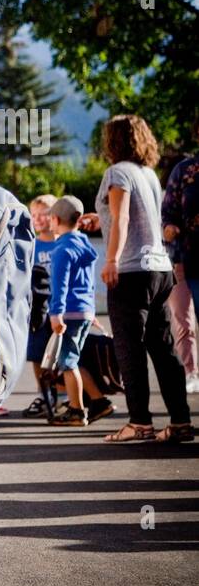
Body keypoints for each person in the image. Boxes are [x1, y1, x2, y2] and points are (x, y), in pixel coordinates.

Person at [79, 116, 192, 444]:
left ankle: (140, 422)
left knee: (129, 349)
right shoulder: (148, 175)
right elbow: (138, 220)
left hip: (130, 272)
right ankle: (181, 421)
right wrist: (99, 220)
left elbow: (123, 216)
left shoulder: (117, 172)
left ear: (113, 141)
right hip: (159, 269)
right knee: (163, 348)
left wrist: (111, 259)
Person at [45, 197, 101, 426]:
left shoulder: (62, 249)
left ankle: (77, 411)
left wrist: (55, 313)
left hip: (68, 313)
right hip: (84, 309)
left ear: (55, 219)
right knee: (71, 360)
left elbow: (60, 285)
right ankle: (77, 406)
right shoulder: (84, 243)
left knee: (68, 362)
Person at [161, 142, 199, 393]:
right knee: (183, 320)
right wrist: (169, 229)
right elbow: (168, 214)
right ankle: (191, 372)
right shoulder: (185, 171)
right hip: (184, 258)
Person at [22, 194, 60, 418]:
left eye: (43, 214)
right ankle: (44, 394)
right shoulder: (30, 245)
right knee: (37, 356)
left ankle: (64, 395)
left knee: (61, 356)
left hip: (61, 309)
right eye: (33, 215)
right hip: (38, 311)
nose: (37, 219)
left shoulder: (64, 241)